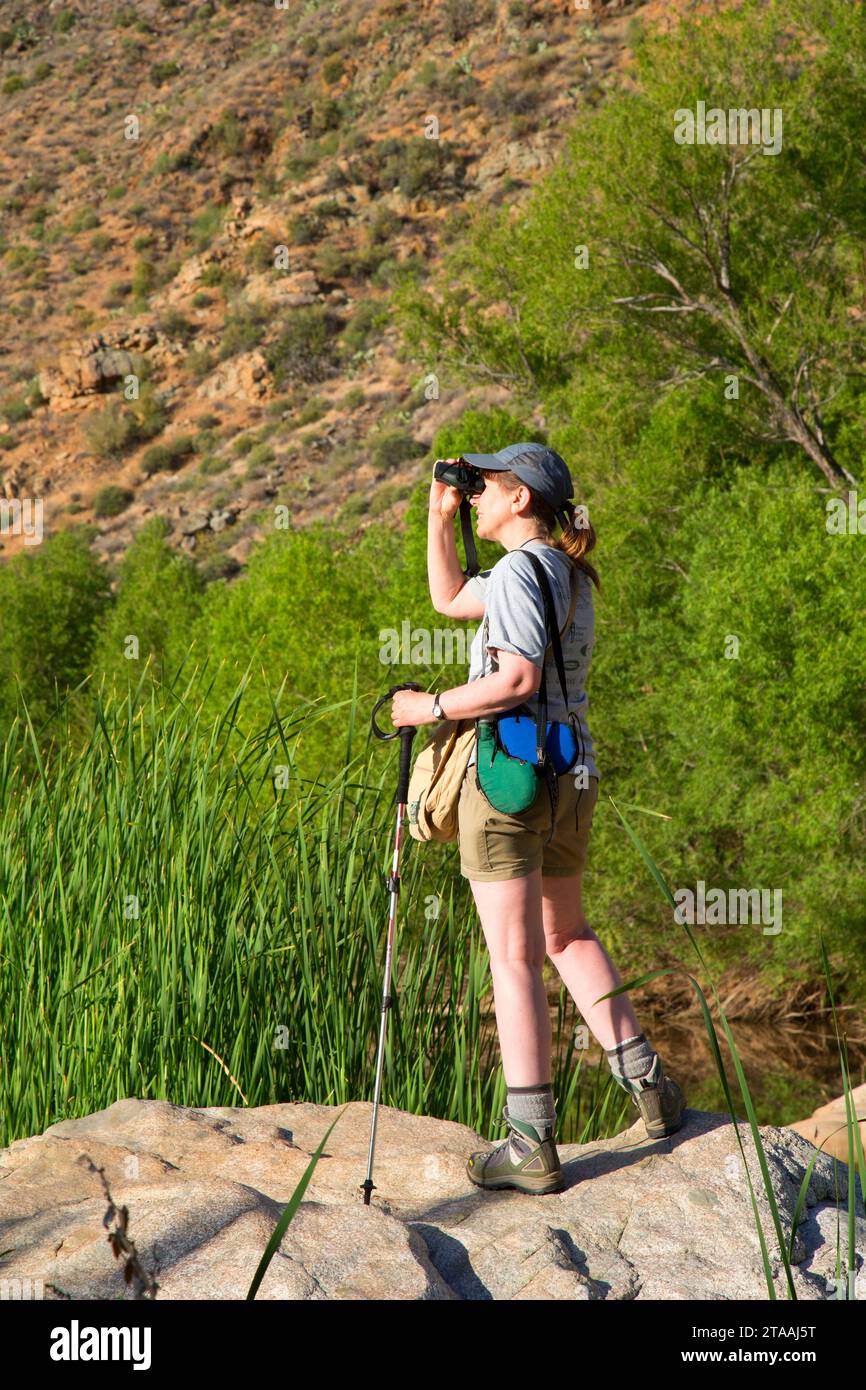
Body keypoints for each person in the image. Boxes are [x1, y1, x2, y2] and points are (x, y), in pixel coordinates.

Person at [390, 443, 685, 1195]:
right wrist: (438, 518)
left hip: (511, 776)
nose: (476, 494)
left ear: (521, 499)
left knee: (514, 957)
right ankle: (652, 1088)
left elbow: (514, 677)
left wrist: (429, 708)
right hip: (571, 768)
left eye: (485, 486)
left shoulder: (523, 572)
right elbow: (450, 599)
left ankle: (529, 1141)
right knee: (567, 934)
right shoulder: (564, 572)